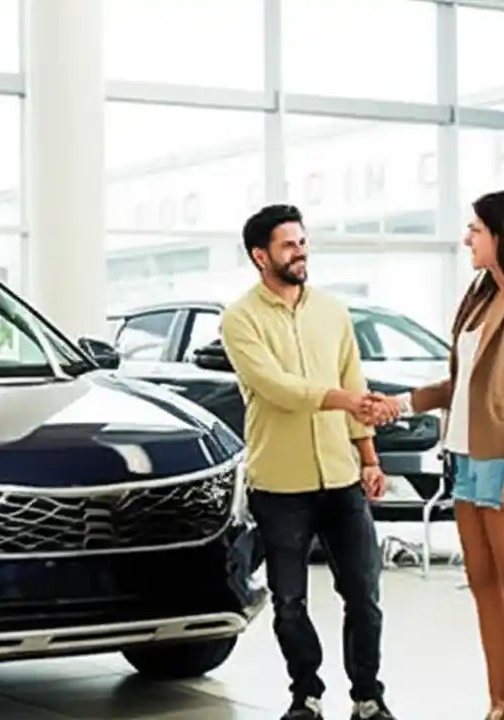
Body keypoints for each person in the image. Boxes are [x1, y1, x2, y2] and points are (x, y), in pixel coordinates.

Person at [385, 189, 504, 720]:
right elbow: (459, 385)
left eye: (476, 229)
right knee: (485, 585)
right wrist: (401, 403)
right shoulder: (480, 299)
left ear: (502, 236)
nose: (467, 237)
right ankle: (499, 700)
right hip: (467, 462)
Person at [221, 203, 398, 720]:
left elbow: (354, 379)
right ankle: (307, 694)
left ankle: (368, 696)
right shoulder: (240, 319)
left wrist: (368, 456)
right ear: (261, 256)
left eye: (303, 242)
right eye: (288, 244)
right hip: (280, 484)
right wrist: (346, 400)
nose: (301, 252)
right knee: (289, 603)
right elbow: (278, 388)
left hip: (342, 478)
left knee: (363, 595)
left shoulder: (332, 311)